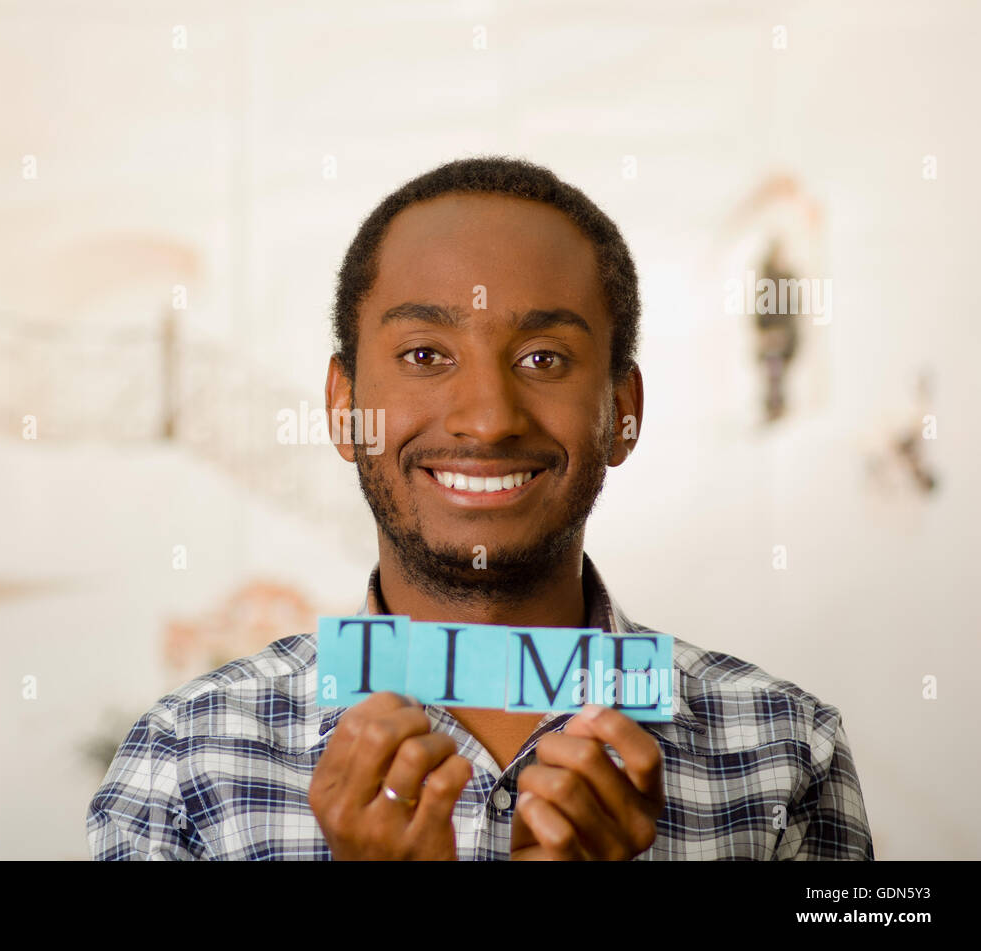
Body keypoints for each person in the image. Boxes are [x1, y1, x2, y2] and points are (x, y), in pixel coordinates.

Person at [86, 156, 874, 860]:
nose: (488, 417)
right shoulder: (185, 763)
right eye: (425, 355)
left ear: (622, 412)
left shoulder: (787, 752)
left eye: (543, 358)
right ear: (341, 405)